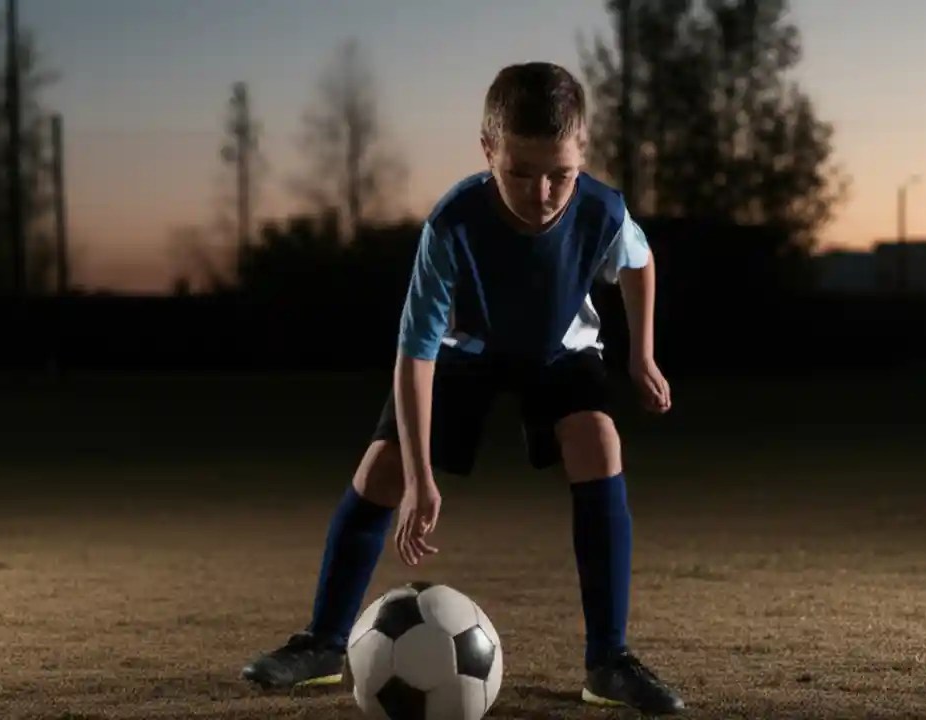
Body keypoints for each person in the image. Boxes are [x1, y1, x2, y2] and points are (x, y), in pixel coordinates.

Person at [240, 61, 685, 715]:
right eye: (519, 173)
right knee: (382, 467)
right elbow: (415, 355)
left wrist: (641, 354)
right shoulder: (453, 226)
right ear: (487, 152)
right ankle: (323, 644)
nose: (542, 195)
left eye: (559, 174)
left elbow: (639, 264)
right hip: (462, 355)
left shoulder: (602, 209)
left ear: (582, 152)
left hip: (559, 352)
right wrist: (421, 477)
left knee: (599, 439)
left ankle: (609, 662)